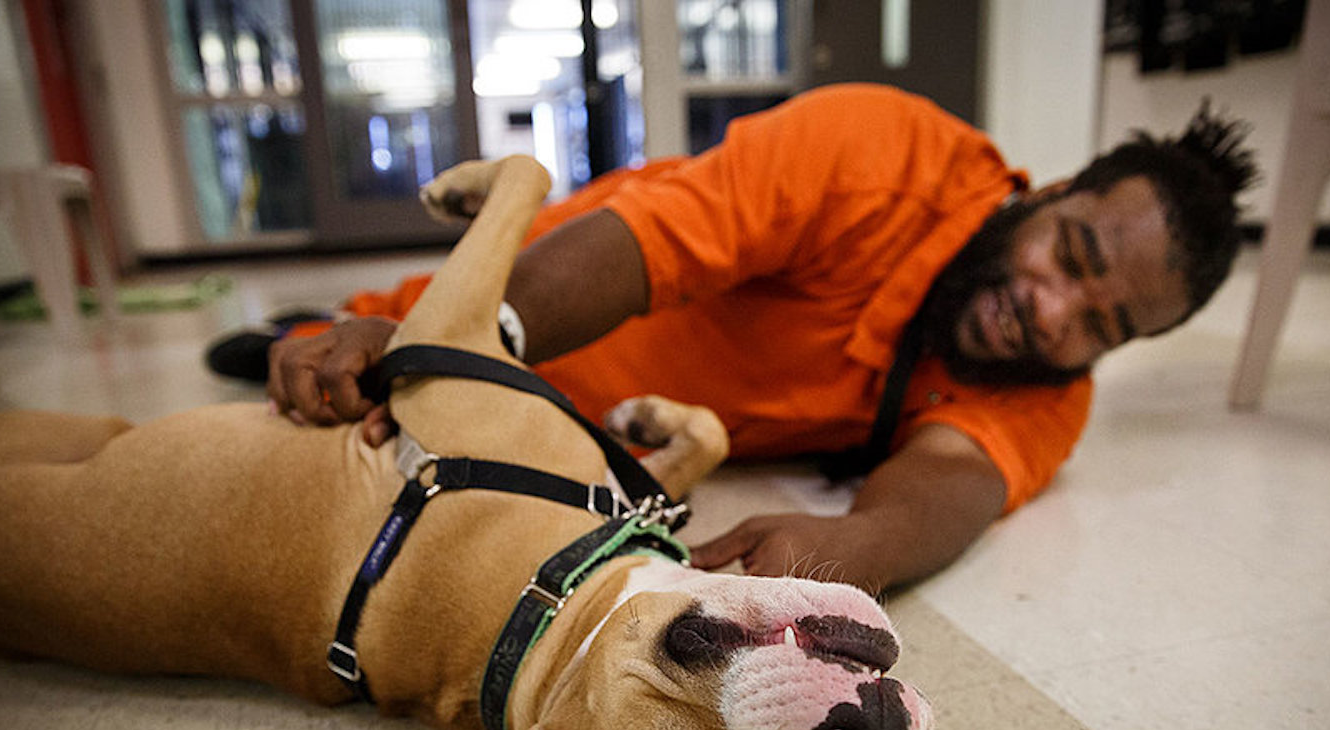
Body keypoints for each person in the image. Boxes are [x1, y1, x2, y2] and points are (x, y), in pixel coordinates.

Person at [231, 83, 1255, 594]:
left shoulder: (1051, 383)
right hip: (520, 300)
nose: (1055, 312)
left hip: (593, 437)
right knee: (324, 362)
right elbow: (653, 243)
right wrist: (437, 342)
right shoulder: (881, 152)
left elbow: (955, 480)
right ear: (1058, 191)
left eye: (1104, 324)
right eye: (1070, 257)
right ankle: (322, 320)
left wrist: (843, 549)